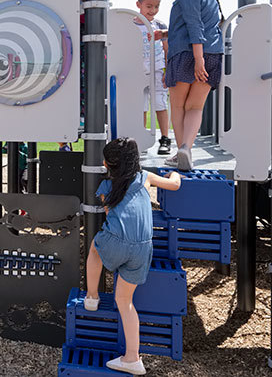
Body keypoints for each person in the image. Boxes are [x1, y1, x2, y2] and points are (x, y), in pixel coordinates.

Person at [84, 137, 182, 375]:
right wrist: (174, 174)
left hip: (116, 242)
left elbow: (109, 215)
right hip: (142, 248)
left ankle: (92, 296)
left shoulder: (107, 187)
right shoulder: (144, 177)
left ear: (107, 165)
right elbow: (175, 185)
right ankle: (132, 358)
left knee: (95, 249)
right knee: (125, 302)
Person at [156, 0, 224, 170]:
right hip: (212, 54)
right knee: (195, 107)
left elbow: (195, 28)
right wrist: (166, 33)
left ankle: (180, 152)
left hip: (190, 55)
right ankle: (186, 148)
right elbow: (200, 25)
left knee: (177, 105)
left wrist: (198, 59)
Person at [48, 0, 91, 151]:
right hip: (71, 31)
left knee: (81, 77)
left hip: (83, 31)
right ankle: (64, 141)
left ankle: (81, 118)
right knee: (64, 77)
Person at [135, 0, 171, 155]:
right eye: (149, 6)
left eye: (156, 6)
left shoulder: (160, 25)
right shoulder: (131, 24)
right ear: (139, 5)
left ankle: (164, 138)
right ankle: (141, 139)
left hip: (157, 70)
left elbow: (166, 49)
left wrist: (167, 70)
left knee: (160, 103)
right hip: (140, 72)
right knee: (140, 106)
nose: (153, 10)